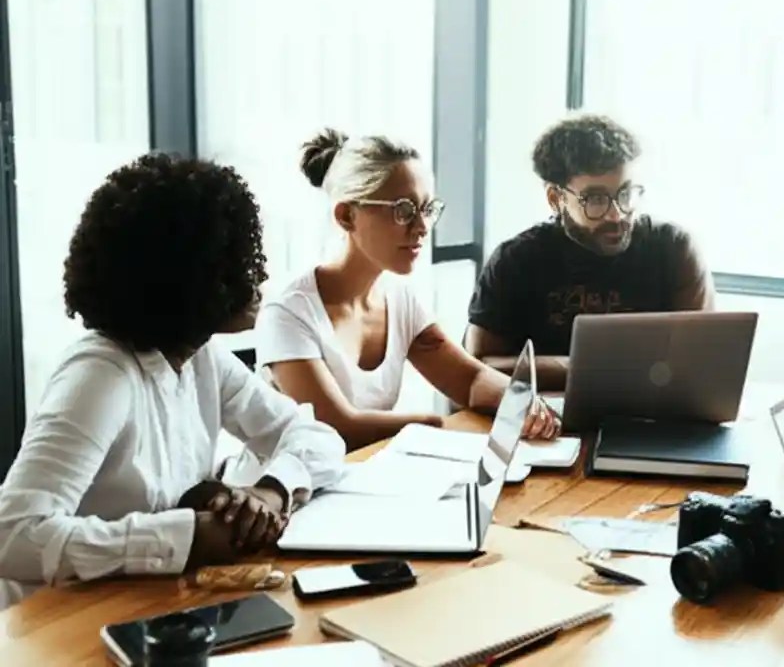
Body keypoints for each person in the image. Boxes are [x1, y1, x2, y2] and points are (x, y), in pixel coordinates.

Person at [0, 154, 346, 605]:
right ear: (188, 273)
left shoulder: (201, 358)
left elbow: (316, 437)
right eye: (237, 257)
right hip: (49, 628)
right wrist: (184, 537)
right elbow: (14, 535)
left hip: (144, 608)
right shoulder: (100, 376)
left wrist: (271, 490)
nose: (259, 275)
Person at [255, 129, 558, 452]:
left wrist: (521, 401)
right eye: (403, 210)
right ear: (346, 216)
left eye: (427, 209)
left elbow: (469, 380)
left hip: (358, 481)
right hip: (282, 494)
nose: (422, 227)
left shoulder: (400, 300)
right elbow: (339, 428)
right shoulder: (287, 315)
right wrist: (437, 427)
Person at [464, 114, 715, 391]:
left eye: (626, 194)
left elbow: (698, 364)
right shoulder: (516, 261)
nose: (616, 214)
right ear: (556, 199)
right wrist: (604, 369)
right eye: (595, 199)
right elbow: (478, 368)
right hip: (543, 422)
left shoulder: (673, 249)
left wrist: (576, 369)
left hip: (653, 419)